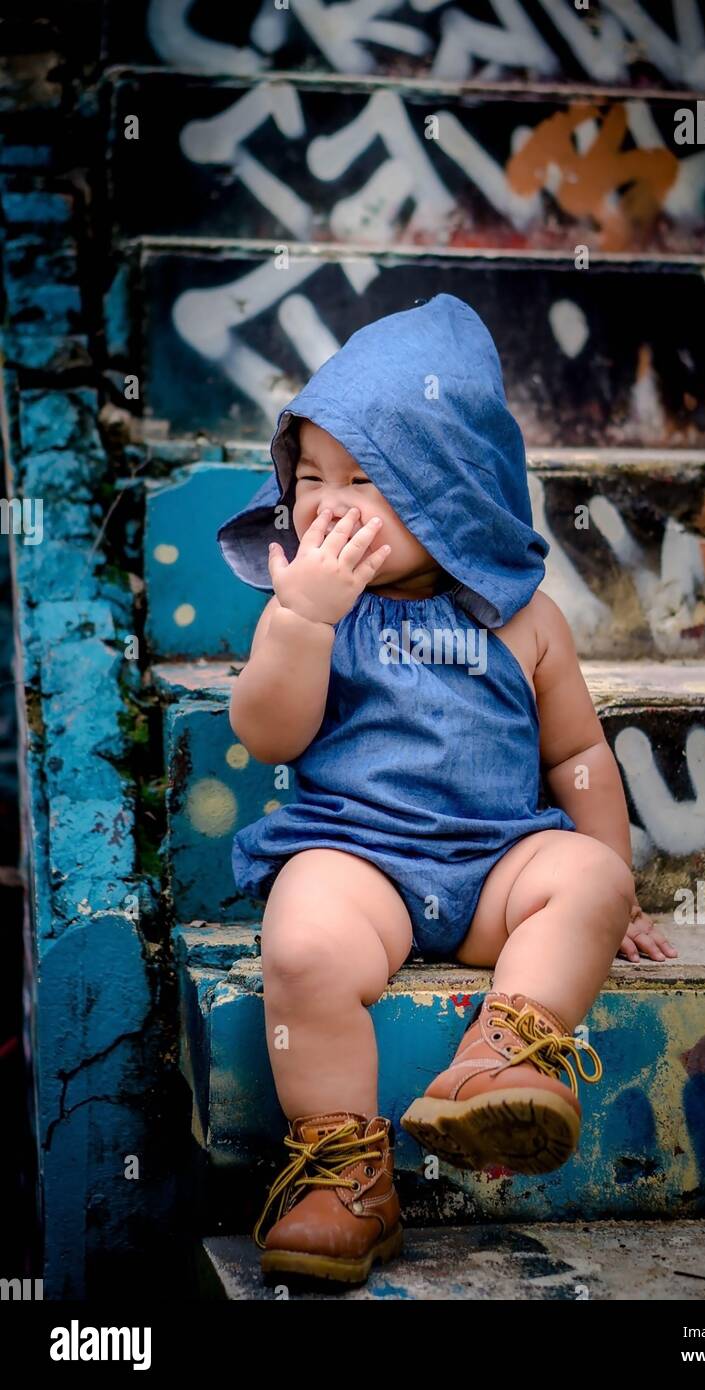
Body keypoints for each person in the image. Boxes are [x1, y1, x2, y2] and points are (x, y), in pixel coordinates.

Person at [216, 292, 676, 1287]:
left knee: (585, 877)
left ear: (452, 490)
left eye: (365, 480)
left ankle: (500, 1057)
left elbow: (578, 759)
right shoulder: (313, 606)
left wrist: (616, 886)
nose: (325, 504)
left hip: (496, 869)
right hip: (358, 861)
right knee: (299, 941)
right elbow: (265, 733)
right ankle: (345, 1171)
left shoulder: (527, 622)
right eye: (309, 479)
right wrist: (298, 622)